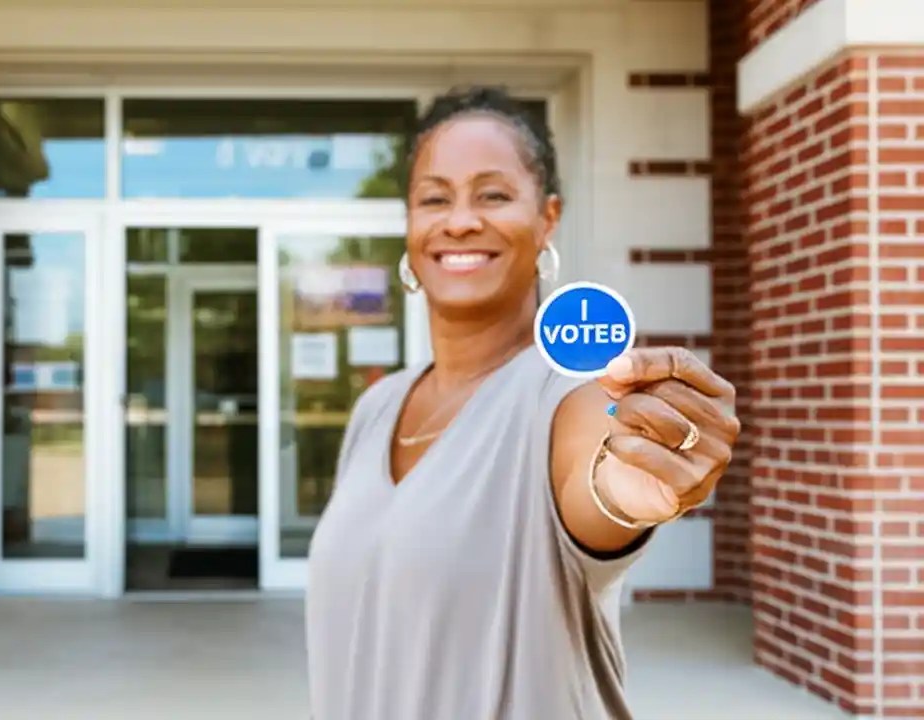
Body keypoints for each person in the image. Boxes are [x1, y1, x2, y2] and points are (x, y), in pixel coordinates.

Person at [304, 86, 741, 720]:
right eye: (434, 198)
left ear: (548, 219)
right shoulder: (378, 407)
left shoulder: (566, 394)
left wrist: (624, 485)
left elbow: (596, 475)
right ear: (409, 223)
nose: (459, 220)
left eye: (493, 195)